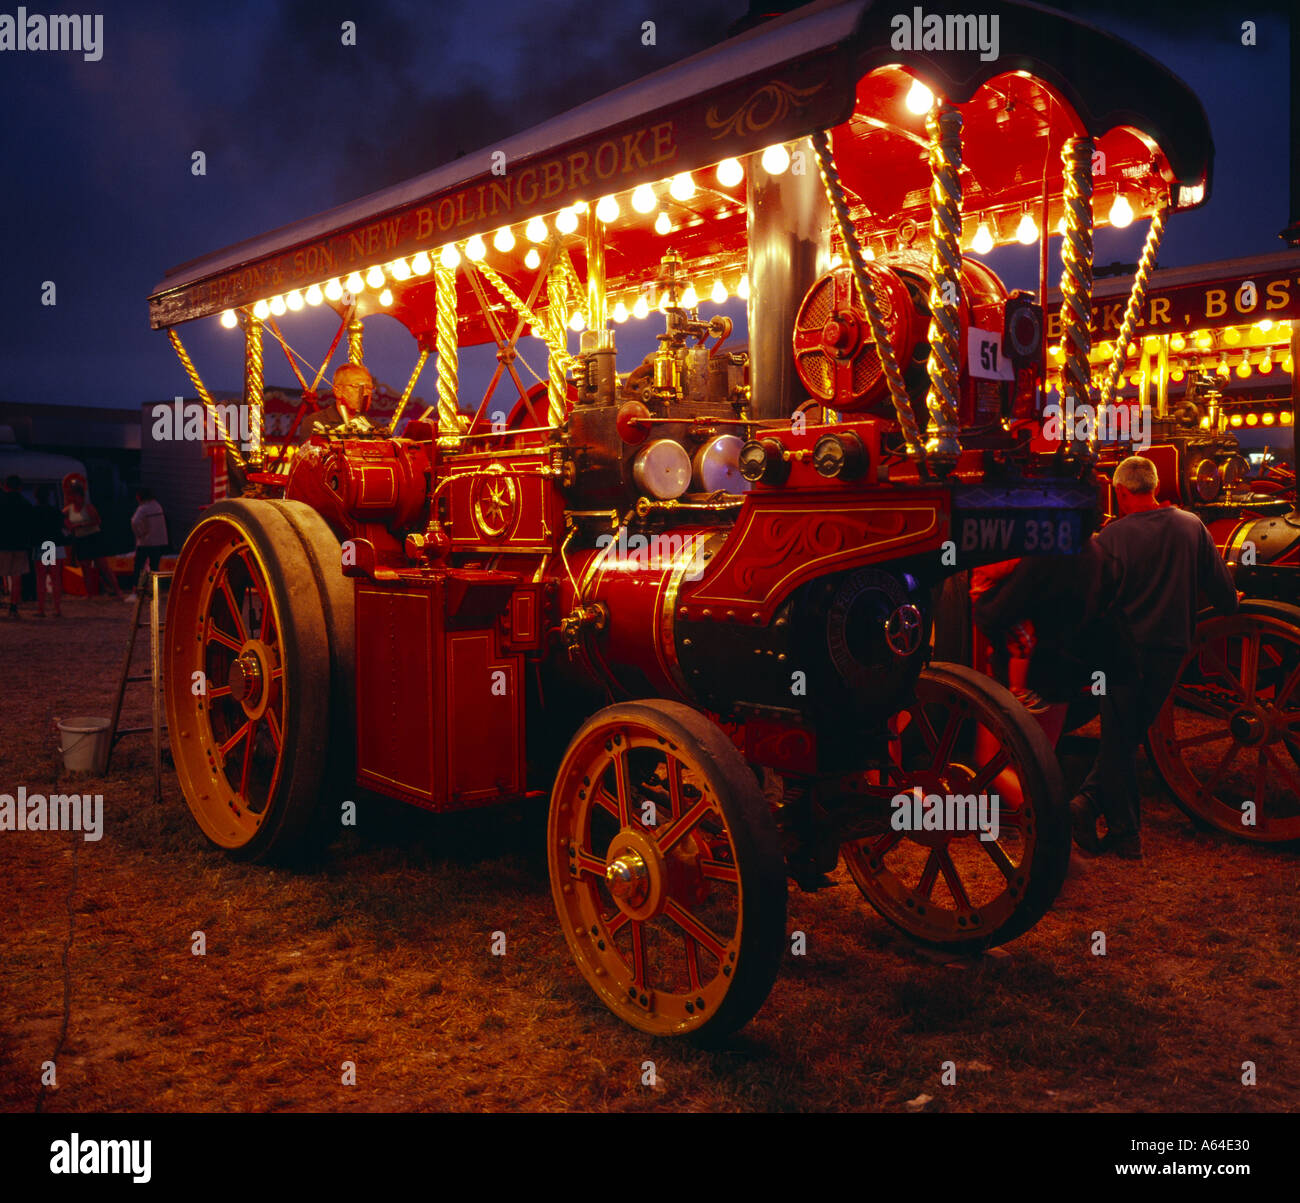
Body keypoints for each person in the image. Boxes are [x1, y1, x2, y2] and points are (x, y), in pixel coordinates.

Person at [1070, 456, 1239, 859]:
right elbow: (1226, 599)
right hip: (1170, 651)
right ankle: (1100, 817)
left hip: (1120, 653)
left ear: (1122, 492)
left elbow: (1089, 605)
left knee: (1118, 738)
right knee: (1125, 739)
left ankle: (1108, 822)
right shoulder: (1191, 526)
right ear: (1156, 485)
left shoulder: (1110, 538)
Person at [62, 481, 123, 599]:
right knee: (85, 567)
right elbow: (61, 516)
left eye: (73, 495)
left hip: (93, 537)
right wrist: (68, 525)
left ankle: (118, 590)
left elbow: (97, 521)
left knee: (103, 566)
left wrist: (81, 525)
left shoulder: (88, 507)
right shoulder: (69, 509)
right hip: (80, 539)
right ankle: (89, 593)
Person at [299, 363, 376, 441]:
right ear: (338, 391)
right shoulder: (315, 423)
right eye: (357, 386)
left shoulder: (375, 427)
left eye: (369, 388)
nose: (365, 393)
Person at [30, 484, 66, 617]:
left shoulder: (34, 511)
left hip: (42, 546)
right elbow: (64, 527)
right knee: (56, 578)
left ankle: (41, 609)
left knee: (41, 578)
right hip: (56, 545)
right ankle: (57, 609)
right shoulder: (56, 511)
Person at [0, 474, 33, 618]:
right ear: (20, 487)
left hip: (2, 543)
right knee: (16, 577)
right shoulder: (26, 504)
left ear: (5, 486)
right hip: (20, 544)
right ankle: (13, 607)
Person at [129, 486, 169, 596]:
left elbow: (134, 522)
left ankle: (136, 590)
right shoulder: (157, 506)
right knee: (155, 567)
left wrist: (140, 533)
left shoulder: (143, 508)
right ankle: (154, 591)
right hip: (158, 541)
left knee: (138, 566)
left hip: (145, 542)